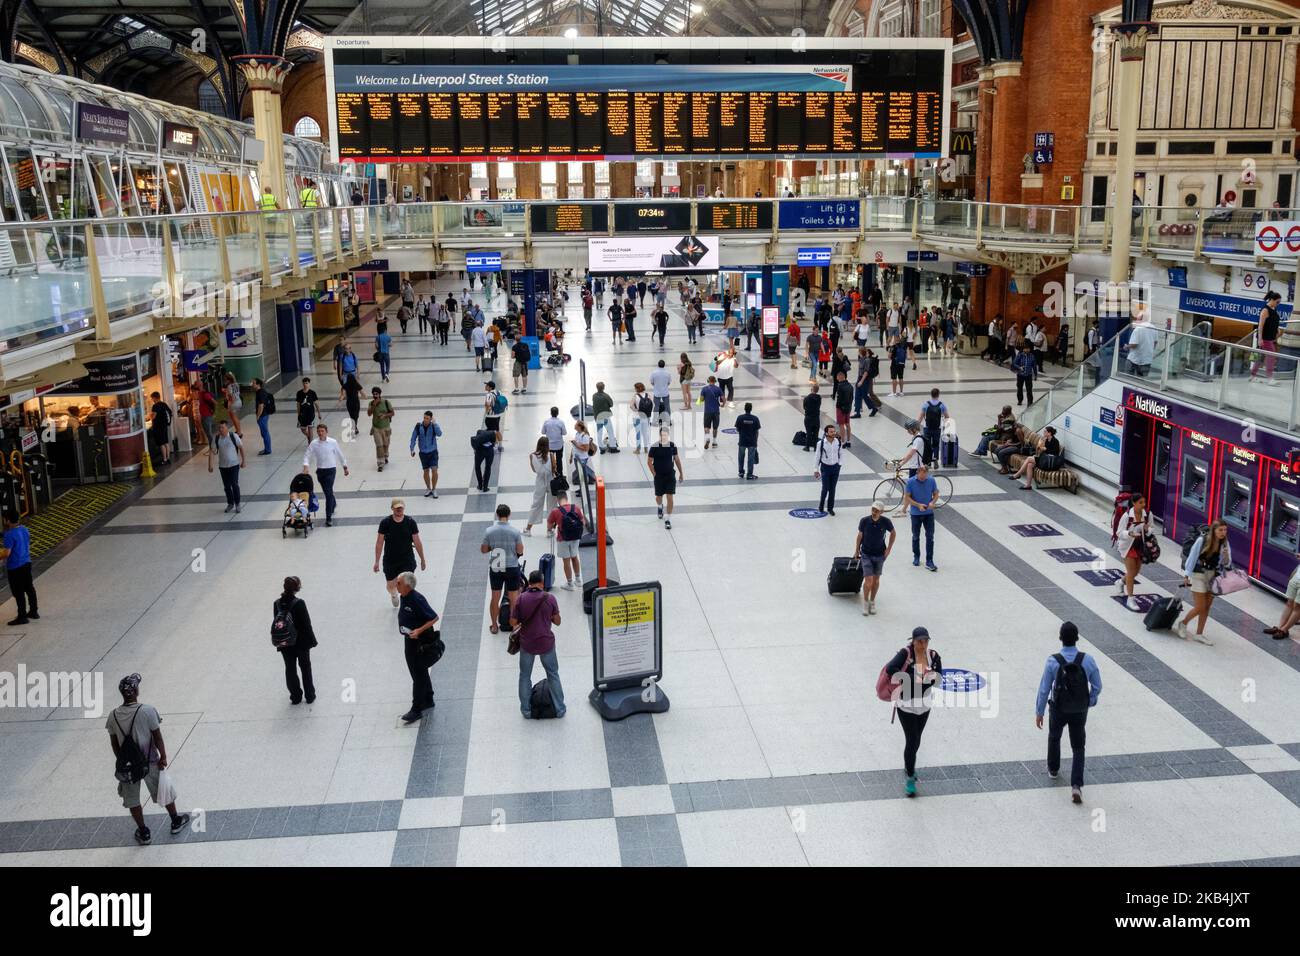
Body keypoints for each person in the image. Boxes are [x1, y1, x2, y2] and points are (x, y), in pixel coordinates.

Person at [106, 673, 191, 845]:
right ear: (136, 691)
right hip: (150, 760)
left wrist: (123, 761)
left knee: (132, 799)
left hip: (128, 766)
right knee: (163, 789)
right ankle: (175, 821)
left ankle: (144, 832)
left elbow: (114, 743)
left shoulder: (113, 715)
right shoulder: (147, 710)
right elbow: (157, 736)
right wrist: (163, 756)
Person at [1035, 622, 1103, 804]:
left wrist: (1039, 711)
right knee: (1078, 746)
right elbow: (1098, 685)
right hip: (1079, 710)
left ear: (1060, 638)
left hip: (1058, 708)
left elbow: (1044, 689)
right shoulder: (1087, 660)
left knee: (1054, 737)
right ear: (1077, 638)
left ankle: (1054, 769)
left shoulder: (1053, 661)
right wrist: (1090, 701)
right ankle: (1076, 786)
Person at [883, 627, 941, 797]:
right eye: (920, 641)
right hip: (906, 704)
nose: (923, 645)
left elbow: (938, 678)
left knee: (917, 740)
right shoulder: (905, 653)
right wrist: (910, 677)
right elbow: (891, 669)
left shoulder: (933, 656)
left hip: (924, 704)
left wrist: (928, 679)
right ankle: (910, 776)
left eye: (926, 641)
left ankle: (909, 765)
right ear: (913, 641)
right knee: (912, 739)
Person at [512, 569, 566, 718]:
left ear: (529, 583)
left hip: (527, 644)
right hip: (546, 643)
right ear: (542, 583)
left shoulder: (521, 599)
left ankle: (526, 711)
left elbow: (513, 622)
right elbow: (558, 622)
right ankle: (560, 709)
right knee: (553, 674)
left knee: (524, 676)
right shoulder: (550, 598)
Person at [395, 572, 440, 724]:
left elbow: (434, 617)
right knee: (419, 672)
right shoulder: (404, 596)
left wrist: (419, 631)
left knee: (417, 674)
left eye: (399, 583)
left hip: (419, 643)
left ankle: (416, 709)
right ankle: (428, 698)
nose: (396, 584)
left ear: (408, 586)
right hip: (409, 641)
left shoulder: (416, 598)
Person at [1177, 518, 1230, 645]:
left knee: (1206, 607)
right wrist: (1186, 575)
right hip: (1198, 574)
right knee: (1200, 607)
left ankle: (1199, 634)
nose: (1223, 533)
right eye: (1220, 530)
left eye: (1225, 530)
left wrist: (1226, 555)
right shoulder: (1202, 540)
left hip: (1213, 576)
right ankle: (1183, 623)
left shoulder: (1224, 544)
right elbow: (1192, 557)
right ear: (1214, 530)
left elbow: (1227, 564)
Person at [273, 576, 317, 705]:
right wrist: (312, 641)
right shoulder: (299, 603)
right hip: (301, 643)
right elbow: (306, 624)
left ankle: (295, 696)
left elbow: (277, 622)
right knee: (305, 668)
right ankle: (309, 695)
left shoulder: (277, 603)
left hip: (285, 642)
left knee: (290, 669)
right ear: (297, 588)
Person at [375, 498, 426, 606]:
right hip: (390, 560)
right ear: (392, 508)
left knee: (407, 582)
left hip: (407, 559)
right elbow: (379, 543)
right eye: (397, 508)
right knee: (391, 586)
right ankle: (394, 594)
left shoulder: (410, 522)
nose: (399, 510)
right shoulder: (385, 523)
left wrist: (422, 559)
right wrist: (376, 561)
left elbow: (417, 542)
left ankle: (407, 603)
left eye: (401, 508)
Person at [482, 503, 525, 634]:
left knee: (495, 597)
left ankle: (494, 625)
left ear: (497, 515)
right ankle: (514, 626)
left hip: (496, 564)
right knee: (513, 598)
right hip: (512, 565)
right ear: (509, 515)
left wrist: (493, 547)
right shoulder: (515, 532)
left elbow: (484, 550)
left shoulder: (489, 531)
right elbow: (520, 550)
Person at [302, 423, 349, 526]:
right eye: (318, 431)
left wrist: (345, 466)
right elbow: (307, 455)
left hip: (331, 470)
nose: (320, 433)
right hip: (320, 471)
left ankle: (328, 517)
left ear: (326, 432)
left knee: (328, 494)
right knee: (328, 491)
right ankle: (333, 503)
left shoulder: (333, 442)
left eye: (322, 431)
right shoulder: (314, 443)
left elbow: (340, 454)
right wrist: (306, 466)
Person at [855, 501, 895, 615]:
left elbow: (893, 533)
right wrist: (857, 550)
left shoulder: (885, 522)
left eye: (877, 510)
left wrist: (889, 549)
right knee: (868, 580)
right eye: (873, 509)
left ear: (881, 512)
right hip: (866, 554)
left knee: (876, 580)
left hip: (879, 555)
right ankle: (866, 602)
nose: (874, 512)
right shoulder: (864, 521)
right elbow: (860, 535)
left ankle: (872, 601)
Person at [1114, 491, 1151, 611]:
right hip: (1128, 546)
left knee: (1135, 572)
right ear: (1134, 503)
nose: (1143, 504)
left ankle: (1120, 582)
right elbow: (1119, 532)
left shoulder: (1147, 514)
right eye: (1141, 502)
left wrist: (1148, 530)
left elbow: (1151, 528)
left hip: (1140, 545)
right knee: (1131, 572)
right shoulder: (1126, 516)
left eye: (1144, 502)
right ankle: (1130, 598)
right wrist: (1129, 533)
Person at [2, 510, 36, 625]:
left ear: (7, 520)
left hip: (15, 567)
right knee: (29, 588)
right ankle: (33, 611)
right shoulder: (25, 529)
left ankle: (22, 617)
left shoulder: (9, 535)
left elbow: (7, 553)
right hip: (27, 562)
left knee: (19, 592)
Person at [904, 462, 939, 571]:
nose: (924, 477)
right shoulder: (910, 482)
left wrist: (932, 502)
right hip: (915, 514)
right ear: (917, 473)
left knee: (930, 536)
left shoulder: (931, 480)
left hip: (929, 514)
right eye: (922, 475)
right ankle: (916, 556)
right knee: (915, 536)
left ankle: (929, 560)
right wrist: (918, 505)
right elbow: (907, 497)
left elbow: (936, 494)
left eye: (926, 474)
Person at [546, 491, 585, 589]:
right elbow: (582, 522)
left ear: (557, 500)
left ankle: (570, 583)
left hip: (563, 539)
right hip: (575, 538)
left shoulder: (555, 511)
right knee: (575, 557)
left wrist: (552, 528)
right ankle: (578, 580)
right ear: (566, 498)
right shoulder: (575, 507)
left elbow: (549, 526)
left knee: (566, 561)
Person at [647, 427, 683, 530]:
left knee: (670, 497)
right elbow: (649, 461)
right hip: (659, 476)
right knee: (659, 497)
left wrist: (681, 473)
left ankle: (668, 519)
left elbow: (676, 459)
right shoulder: (654, 447)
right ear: (660, 435)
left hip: (670, 475)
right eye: (662, 435)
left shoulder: (672, 446)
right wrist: (654, 474)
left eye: (666, 435)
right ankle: (660, 507)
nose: (664, 437)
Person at [207, 421, 245, 514]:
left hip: (234, 465)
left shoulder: (233, 436)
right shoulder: (216, 438)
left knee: (234, 485)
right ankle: (230, 503)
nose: (221, 429)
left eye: (222, 427)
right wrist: (210, 464)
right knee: (227, 486)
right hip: (223, 467)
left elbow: (241, 447)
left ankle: (237, 504)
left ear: (227, 428)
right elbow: (212, 451)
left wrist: (244, 461)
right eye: (219, 428)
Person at [1010, 425, 1062, 491]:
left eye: (1045, 431)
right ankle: (1028, 485)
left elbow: (1054, 453)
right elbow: (1039, 451)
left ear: (1049, 433)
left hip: (1049, 463)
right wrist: (1041, 445)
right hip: (1043, 460)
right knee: (1029, 465)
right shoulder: (1045, 440)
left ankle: (1017, 474)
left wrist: (1044, 449)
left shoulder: (1055, 441)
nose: (1043, 433)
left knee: (1029, 458)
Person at [1250, 290, 1283, 385]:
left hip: (1270, 337)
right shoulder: (1265, 310)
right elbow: (1260, 325)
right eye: (1277, 302)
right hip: (1265, 338)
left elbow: (1273, 321)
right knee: (1271, 356)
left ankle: (1252, 375)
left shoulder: (1273, 309)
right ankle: (1270, 378)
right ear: (1272, 300)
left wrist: (1277, 329)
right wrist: (1260, 339)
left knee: (1259, 357)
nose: (1278, 304)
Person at [409, 411, 442, 498]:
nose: (425, 420)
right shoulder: (418, 426)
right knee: (426, 471)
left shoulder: (433, 426)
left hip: (433, 452)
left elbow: (440, 434)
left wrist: (435, 424)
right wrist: (412, 449)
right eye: (424, 418)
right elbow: (413, 438)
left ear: (431, 419)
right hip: (423, 453)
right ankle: (428, 488)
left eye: (427, 418)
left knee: (434, 470)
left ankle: (434, 489)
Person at [525, 438, 553, 536]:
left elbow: (534, 470)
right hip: (551, 481)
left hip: (540, 481)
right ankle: (549, 530)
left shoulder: (532, 456)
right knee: (552, 506)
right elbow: (555, 469)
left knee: (536, 504)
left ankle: (528, 529)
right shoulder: (551, 455)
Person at [1265, 560, 1300, 640]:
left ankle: (1284, 629)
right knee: (1289, 603)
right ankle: (1280, 627)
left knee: (1297, 607)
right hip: (1297, 577)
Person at [813, 425, 842, 515]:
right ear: (826, 433)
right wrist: (816, 469)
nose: (834, 433)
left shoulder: (838, 442)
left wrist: (839, 464)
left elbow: (841, 454)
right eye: (831, 432)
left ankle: (830, 508)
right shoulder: (821, 444)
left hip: (835, 468)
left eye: (834, 431)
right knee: (825, 488)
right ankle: (821, 506)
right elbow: (817, 457)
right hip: (825, 468)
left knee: (832, 489)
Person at [366, 387, 395, 472]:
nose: (375, 396)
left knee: (386, 444)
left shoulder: (386, 402)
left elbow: (392, 413)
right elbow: (369, 414)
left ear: (379, 394)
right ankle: (380, 463)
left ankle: (385, 456)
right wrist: (373, 406)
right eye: (374, 394)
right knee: (379, 446)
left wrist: (385, 416)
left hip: (386, 428)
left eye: (376, 394)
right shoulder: (371, 403)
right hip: (376, 428)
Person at [920, 388, 949, 469]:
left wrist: (917, 425)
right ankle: (935, 459)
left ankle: (927, 462)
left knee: (927, 445)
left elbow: (921, 416)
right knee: (936, 445)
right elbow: (947, 417)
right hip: (937, 428)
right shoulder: (941, 405)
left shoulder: (926, 404)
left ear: (931, 394)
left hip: (927, 428)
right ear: (938, 394)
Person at [1124, 311, 1158, 376]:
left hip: (1134, 359)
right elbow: (1155, 342)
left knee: (1128, 379)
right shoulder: (1154, 327)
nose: (1136, 320)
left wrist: (1126, 346)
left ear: (1141, 319)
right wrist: (1150, 350)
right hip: (1147, 360)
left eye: (1137, 318)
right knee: (1141, 381)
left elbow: (1134, 344)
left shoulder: (1138, 328)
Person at [735, 402, 761, 480]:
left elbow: (737, 429)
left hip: (742, 441)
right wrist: (756, 442)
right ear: (751, 409)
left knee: (741, 457)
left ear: (744, 408)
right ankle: (749, 474)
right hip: (752, 442)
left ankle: (741, 472)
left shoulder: (740, 418)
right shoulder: (755, 419)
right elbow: (757, 431)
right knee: (750, 459)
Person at [148, 392, 172, 465]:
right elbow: (170, 412)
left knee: (161, 444)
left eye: (152, 398)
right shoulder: (164, 404)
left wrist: (150, 416)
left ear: (155, 398)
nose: (152, 400)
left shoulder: (155, 406)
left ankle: (164, 459)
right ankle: (168, 458)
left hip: (158, 427)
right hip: (164, 426)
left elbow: (153, 416)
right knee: (166, 442)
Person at [541, 405, 567, 473]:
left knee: (549, 459)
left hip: (549, 446)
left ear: (551, 413)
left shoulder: (546, 422)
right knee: (559, 460)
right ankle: (560, 474)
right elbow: (564, 433)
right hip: (559, 445)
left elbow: (543, 432)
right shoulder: (561, 422)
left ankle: (550, 472)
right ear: (557, 413)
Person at [471, 426, 496, 493]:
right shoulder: (492, 434)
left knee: (477, 466)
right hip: (490, 450)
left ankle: (480, 485)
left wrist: (475, 450)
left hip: (480, 451)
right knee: (488, 467)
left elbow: (476, 442)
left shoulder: (479, 432)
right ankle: (485, 487)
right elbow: (494, 443)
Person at [252, 378, 274, 455]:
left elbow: (261, 405)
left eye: (253, 383)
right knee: (264, 433)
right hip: (264, 415)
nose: (252, 384)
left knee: (265, 433)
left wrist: (258, 416)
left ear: (258, 384)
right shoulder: (260, 391)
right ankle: (267, 449)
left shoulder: (260, 393)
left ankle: (268, 450)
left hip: (262, 416)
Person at [701, 375, 723, 450]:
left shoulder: (704, 389)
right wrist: (723, 405)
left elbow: (701, 399)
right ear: (715, 381)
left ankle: (707, 438)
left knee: (706, 426)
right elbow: (723, 398)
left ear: (708, 381)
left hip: (707, 411)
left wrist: (704, 399)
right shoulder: (718, 389)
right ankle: (714, 442)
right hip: (716, 411)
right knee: (715, 427)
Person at [833, 370, 854, 450]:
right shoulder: (850, 386)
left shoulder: (840, 386)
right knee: (847, 424)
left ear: (839, 377)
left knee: (841, 425)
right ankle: (848, 441)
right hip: (848, 407)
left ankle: (843, 442)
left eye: (837, 377)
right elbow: (852, 398)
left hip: (841, 409)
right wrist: (849, 406)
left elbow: (839, 398)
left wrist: (838, 406)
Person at [295, 377, 320, 443]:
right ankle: (308, 436)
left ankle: (311, 443)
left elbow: (316, 403)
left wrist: (319, 413)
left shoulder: (312, 393)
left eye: (307, 383)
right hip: (302, 414)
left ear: (309, 383)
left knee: (310, 428)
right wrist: (298, 413)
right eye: (304, 383)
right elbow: (298, 404)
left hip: (310, 413)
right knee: (302, 429)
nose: (305, 385)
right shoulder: (299, 393)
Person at [1012, 341, 1036, 406]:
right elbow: (1014, 363)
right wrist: (1019, 367)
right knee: (1019, 388)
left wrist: (1035, 374)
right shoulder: (1020, 355)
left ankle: (1030, 402)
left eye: (1028, 348)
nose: (1027, 350)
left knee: (1029, 389)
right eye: (1025, 348)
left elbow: (1034, 365)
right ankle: (1020, 400)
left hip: (1029, 375)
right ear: (1023, 349)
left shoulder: (1032, 356)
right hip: (1020, 375)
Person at [340, 371, 364, 436]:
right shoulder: (357, 384)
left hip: (349, 402)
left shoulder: (345, 385)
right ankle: (355, 427)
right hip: (356, 402)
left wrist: (341, 399)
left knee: (352, 416)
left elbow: (343, 395)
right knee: (356, 416)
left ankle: (354, 427)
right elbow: (363, 394)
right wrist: (362, 397)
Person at [650, 359, 673, 425]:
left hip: (657, 393)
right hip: (665, 392)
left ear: (658, 365)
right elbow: (669, 382)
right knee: (667, 406)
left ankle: (654, 421)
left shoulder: (654, 373)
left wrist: (656, 386)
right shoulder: (667, 373)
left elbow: (652, 382)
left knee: (656, 407)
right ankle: (668, 421)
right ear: (664, 365)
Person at [483, 381, 505, 449]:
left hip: (491, 416)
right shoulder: (498, 392)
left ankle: (494, 444)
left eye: (487, 385)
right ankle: (500, 445)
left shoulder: (489, 395)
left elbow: (488, 404)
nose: (485, 387)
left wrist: (486, 412)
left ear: (490, 387)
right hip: (497, 415)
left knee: (491, 432)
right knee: (496, 430)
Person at [194, 382, 217, 447]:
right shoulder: (199, 393)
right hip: (203, 415)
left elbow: (214, 402)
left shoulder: (205, 394)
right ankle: (211, 445)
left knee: (208, 432)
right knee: (206, 431)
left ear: (200, 385)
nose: (195, 385)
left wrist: (213, 412)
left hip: (207, 415)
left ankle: (213, 446)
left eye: (196, 384)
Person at [801, 383, 821, 453]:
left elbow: (804, 407)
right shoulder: (819, 398)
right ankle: (815, 447)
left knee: (808, 432)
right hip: (816, 418)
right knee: (816, 433)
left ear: (811, 389)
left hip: (808, 418)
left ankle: (807, 447)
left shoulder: (807, 398)